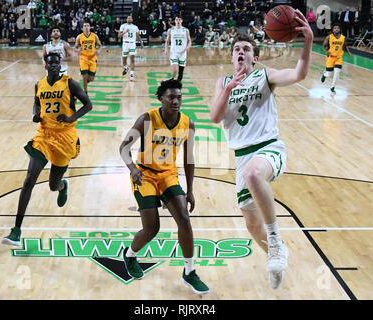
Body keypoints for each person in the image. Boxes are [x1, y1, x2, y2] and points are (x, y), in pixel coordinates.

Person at [210, 10, 313, 290]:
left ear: (255, 57)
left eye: (246, 49)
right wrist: (229, 88)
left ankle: (277, 241)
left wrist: (307, 42)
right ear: (231, 57)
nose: (240, 52)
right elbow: (215, 117)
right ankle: (274, 256)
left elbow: (299, 74)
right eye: (236, 49)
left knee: (256, 174)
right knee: (251, 226)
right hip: (241, 156)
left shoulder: (265, 76)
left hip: (269, 148)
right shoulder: (222, 83)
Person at [119, 79, 209, 295]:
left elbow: (189, 159)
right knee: (152, 229)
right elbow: (124, 147)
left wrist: (190, 190)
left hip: (168, 175)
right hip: (145, 175)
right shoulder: (147, 119)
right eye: (171, 97)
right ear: (161, 98)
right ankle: (130, 255)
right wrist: (132, 169)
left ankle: (189, 271)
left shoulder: (188, 124)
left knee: (184, 221)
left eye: (179, 97)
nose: (176, 101)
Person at [1, 52, 93, 247]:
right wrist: (36, 114)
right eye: (51, 64)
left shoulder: (70, 84)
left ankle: (62, 186)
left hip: (65, 136)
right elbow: (36, 103)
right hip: (44, 135)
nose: (54, 66)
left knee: (53, 185)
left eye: (57, 63)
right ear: (45, 65)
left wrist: (70, 118)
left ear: (60, 65)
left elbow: (88, 104)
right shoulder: (39, 84)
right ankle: (16, 230)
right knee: (29, 180)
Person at [321, 22, 352, 95]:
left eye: (337, 28)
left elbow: (345, 46)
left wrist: (348, 52)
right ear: (332, 29)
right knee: (328, 74)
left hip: (339, 57)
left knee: (337, 73)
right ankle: (324, 74)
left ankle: (332, 88)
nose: (336, 29)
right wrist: (326, 51)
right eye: (335, 28)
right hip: (331, 57)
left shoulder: (343, 38)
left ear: (340, 29)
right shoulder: (329, 37)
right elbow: (323, 46)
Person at [74, 22, 102, 94]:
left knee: (91, 79)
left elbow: (100, 45)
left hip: (92, 58)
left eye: (87, 26)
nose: (86, 27)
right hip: (83, 58)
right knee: (84, 77)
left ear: (90, 27)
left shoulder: (94, 36)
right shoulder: (79, 37)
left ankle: (88, 80)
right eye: (84, 26)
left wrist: (99, 50)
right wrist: (78, 50)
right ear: (82, 28)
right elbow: (75, 48)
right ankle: (85, 92)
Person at [164, 15, 191, 82]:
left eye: (179, 19)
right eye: (176, 19)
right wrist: (166, 49)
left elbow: (189, 40)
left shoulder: (186, 30)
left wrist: (188, 46)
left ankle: (177, 86)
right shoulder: (170, 30)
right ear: (175, 21)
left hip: (183, 53)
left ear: (181, 21)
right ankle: (171, 79)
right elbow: (167, 41)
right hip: (174, 52)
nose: (178, 21)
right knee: (175, 70)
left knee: (181, 73)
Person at [118, 15, 144, 81]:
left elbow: (138, 35)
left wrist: (141, 42)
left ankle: (132, 74)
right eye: (128, 18)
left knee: (132, 59)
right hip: (125, 44)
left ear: (132, 19)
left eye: (130, 18)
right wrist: (125, 32)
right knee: (124, 61)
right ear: (126, 19)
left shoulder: (135, 27)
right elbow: (119, 36)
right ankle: (126, 67)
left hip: (132, 44)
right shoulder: (123, 26)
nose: (129, 19)